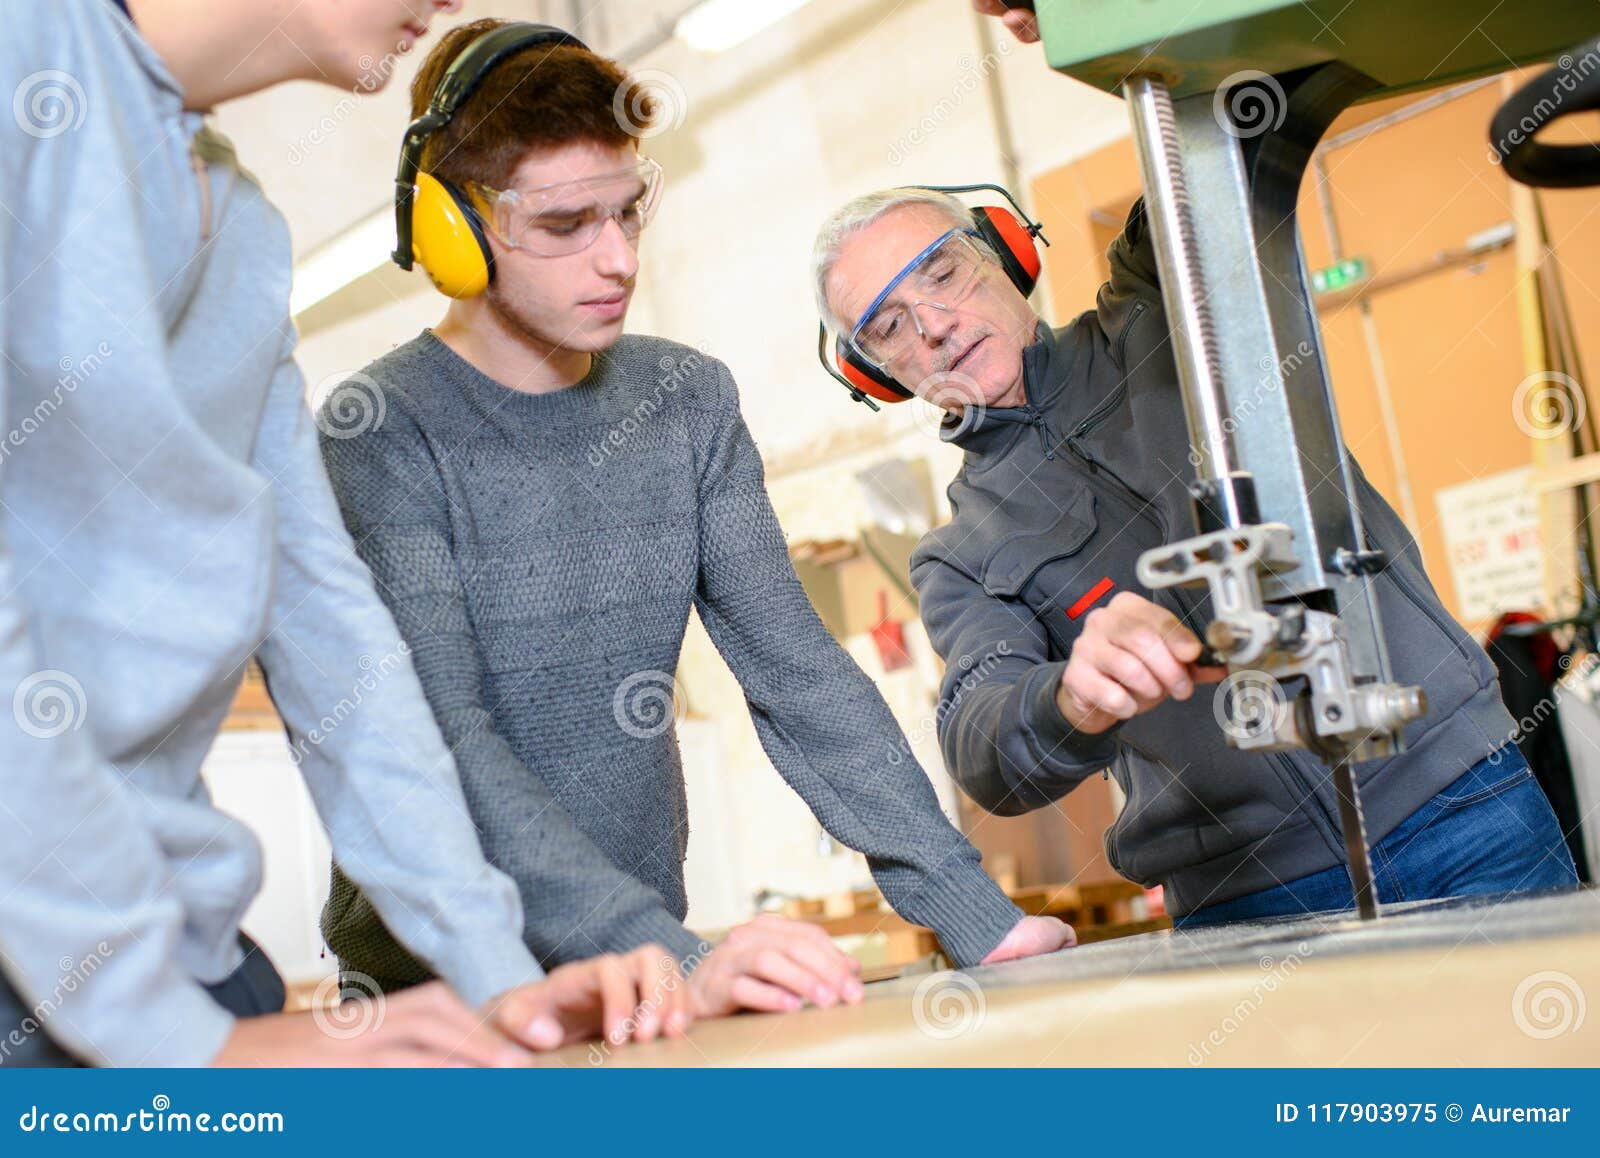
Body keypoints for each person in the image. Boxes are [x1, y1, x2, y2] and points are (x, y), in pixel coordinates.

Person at [318, 18, 1074, 1021]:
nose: (616, 259)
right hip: (440, 1000)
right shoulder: (381, 433)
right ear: (453, 230)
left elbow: (797, 673)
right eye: (563, 226)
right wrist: (671, 958)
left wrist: (977, 917)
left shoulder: (683, 401)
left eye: (628, 213)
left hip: (638, 983)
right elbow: (440, 742)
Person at [0, 0, 685, 1068]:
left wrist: (500, 980)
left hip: (175, 957)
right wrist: (174, 1044)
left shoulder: (239, 223)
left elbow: (328, 625)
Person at [810, 180, 1581, 926]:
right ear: (876, 374)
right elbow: (981, 748)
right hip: (1253, 902)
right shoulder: (957, 553)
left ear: (1006, 254)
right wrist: (1067, 699)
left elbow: (1217, 139)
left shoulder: (1157, 306)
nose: (935, 326)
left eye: (943, 273)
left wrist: (1107, 48)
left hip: (1463, 806)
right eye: (889, 326)